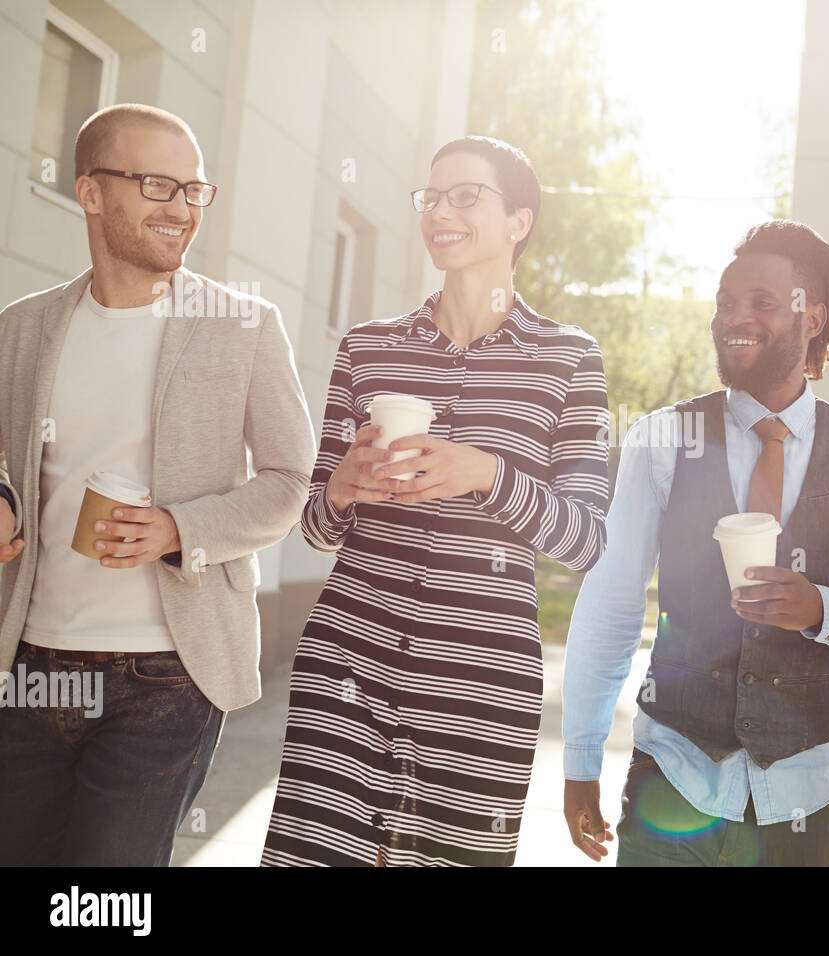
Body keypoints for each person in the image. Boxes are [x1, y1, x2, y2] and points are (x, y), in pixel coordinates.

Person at [260, 136, 609, 867]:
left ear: (519, 221)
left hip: (482, 684)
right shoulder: (366, 349)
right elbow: (317, 526)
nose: (439, 212)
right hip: (346, 665)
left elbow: (585, 538)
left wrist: (488, 473)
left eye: (465, 196)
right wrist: (346, 488)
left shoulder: (569, 357)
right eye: (431, 197)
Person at [0, 103, 316, 865]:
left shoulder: (244, 324)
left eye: (194, 190)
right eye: (156, 185)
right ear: (91, 192)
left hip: (167, 676)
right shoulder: (22, 327)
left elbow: (289, 481)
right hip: (31, 664)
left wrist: (181, 529)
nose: (181, 208)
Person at [562, 219, 829, 866]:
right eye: (727, 302)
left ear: (813, 318)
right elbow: (611, 602)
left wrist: (822, 610)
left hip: (803, 799)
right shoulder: (662, 439)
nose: (737, 317)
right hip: (671, 781)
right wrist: (581, 758)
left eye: (762, 301)